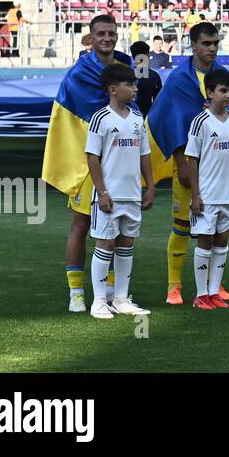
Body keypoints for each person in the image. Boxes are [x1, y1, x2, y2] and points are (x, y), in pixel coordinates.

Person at [145, 22, 229, 306]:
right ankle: (174, 286)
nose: (212, 48)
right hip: (191, 165)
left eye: (215, 42)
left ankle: (214, 287)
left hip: (221, 169)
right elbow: (169, 117)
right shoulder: (180, 79)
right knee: (183, 224)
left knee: (219, 231)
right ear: (193, 45)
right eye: (206, 43)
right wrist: (181, 162)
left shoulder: (222, 77)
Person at [40, 14, 134, 313]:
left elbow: (130, 108)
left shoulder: (124, 66)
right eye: (101, 34)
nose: (107, 38)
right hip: (88, 162)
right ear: (90, 39)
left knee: (117, 229)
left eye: (112, 33)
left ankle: (109, 292)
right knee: (81, 224)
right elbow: (96, 115)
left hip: (119, 162)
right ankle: (76, 291)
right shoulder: (81, 72)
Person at [84, 63, 155, 319]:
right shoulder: (100, 118)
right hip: (109, 196)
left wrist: (150, 185)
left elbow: (144, 153)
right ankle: (99, 301)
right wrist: (102, 192)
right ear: (113, 90)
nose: (135, 88)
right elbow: (92, 157)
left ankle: (122, 299)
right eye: (130, 84)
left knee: (126, 245)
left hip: (132, 195)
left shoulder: (137, 118)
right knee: (105, 245)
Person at [185, 69, 229, 310]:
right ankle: (201, 294)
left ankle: (214, 292)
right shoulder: (200, 121)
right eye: (223, 90)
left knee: (222, 243)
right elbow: (192, 159)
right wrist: (195, 195)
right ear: (209, 93)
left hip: (228, 195)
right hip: (207, 196)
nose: (228, 95)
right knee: (205, 242)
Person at [130, 41, 163, 117]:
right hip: (147, 118)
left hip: (128, 118)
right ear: (147, 55)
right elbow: (158, 103)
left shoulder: (125, 74)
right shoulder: (154, 76)